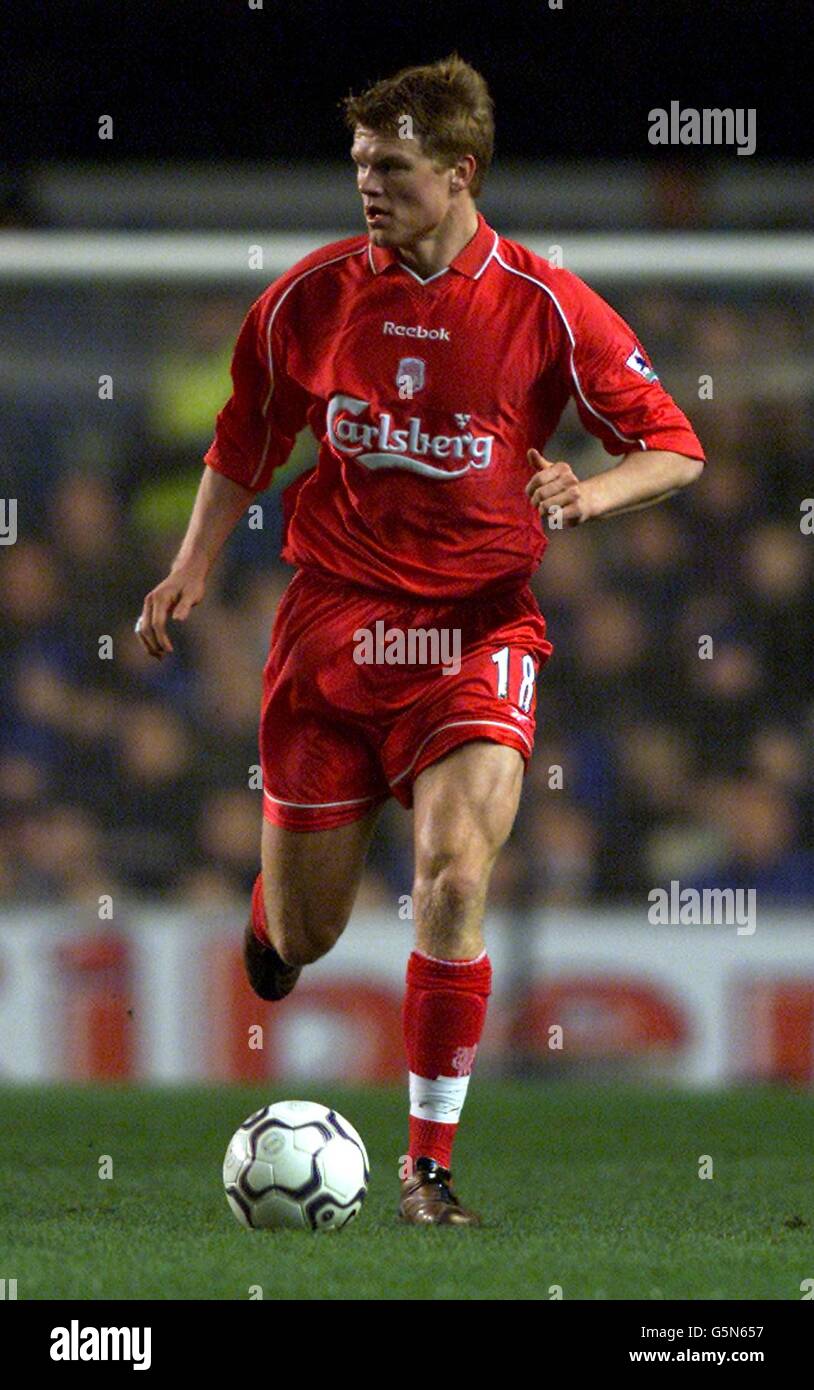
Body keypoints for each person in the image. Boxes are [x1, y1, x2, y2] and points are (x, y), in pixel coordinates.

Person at [136, 54, 705, 1226]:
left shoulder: (545, 304)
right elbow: (247, 435)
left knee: (452, 877)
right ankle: (272, 916)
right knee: (310, 928)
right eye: (357, 166)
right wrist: (190, 564)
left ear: (460, 172)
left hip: (474, 630)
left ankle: (427, 1168)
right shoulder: (309, 297)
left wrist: (591, 496)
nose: (367, 187)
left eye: (390, 168)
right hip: (332, 628)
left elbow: (675, 444)